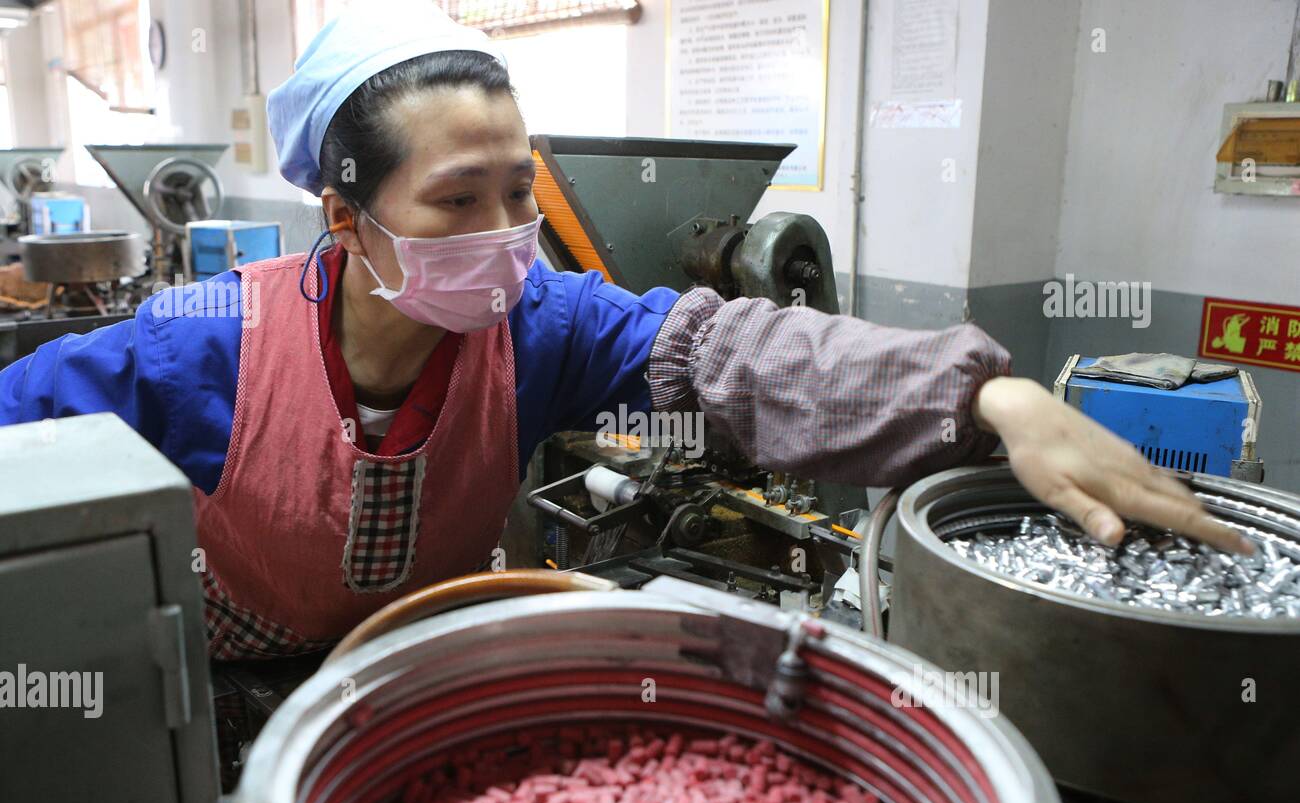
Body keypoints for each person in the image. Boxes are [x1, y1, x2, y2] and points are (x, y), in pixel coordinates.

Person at [0, 1, 1246, 660]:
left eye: (518, 195)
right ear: (342, 213)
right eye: (455, 201)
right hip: (239, 661)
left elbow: (731, 350)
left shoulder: (536, 322)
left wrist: (983, 398)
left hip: (420, 653)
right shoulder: (203, 343)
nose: (505, 232)